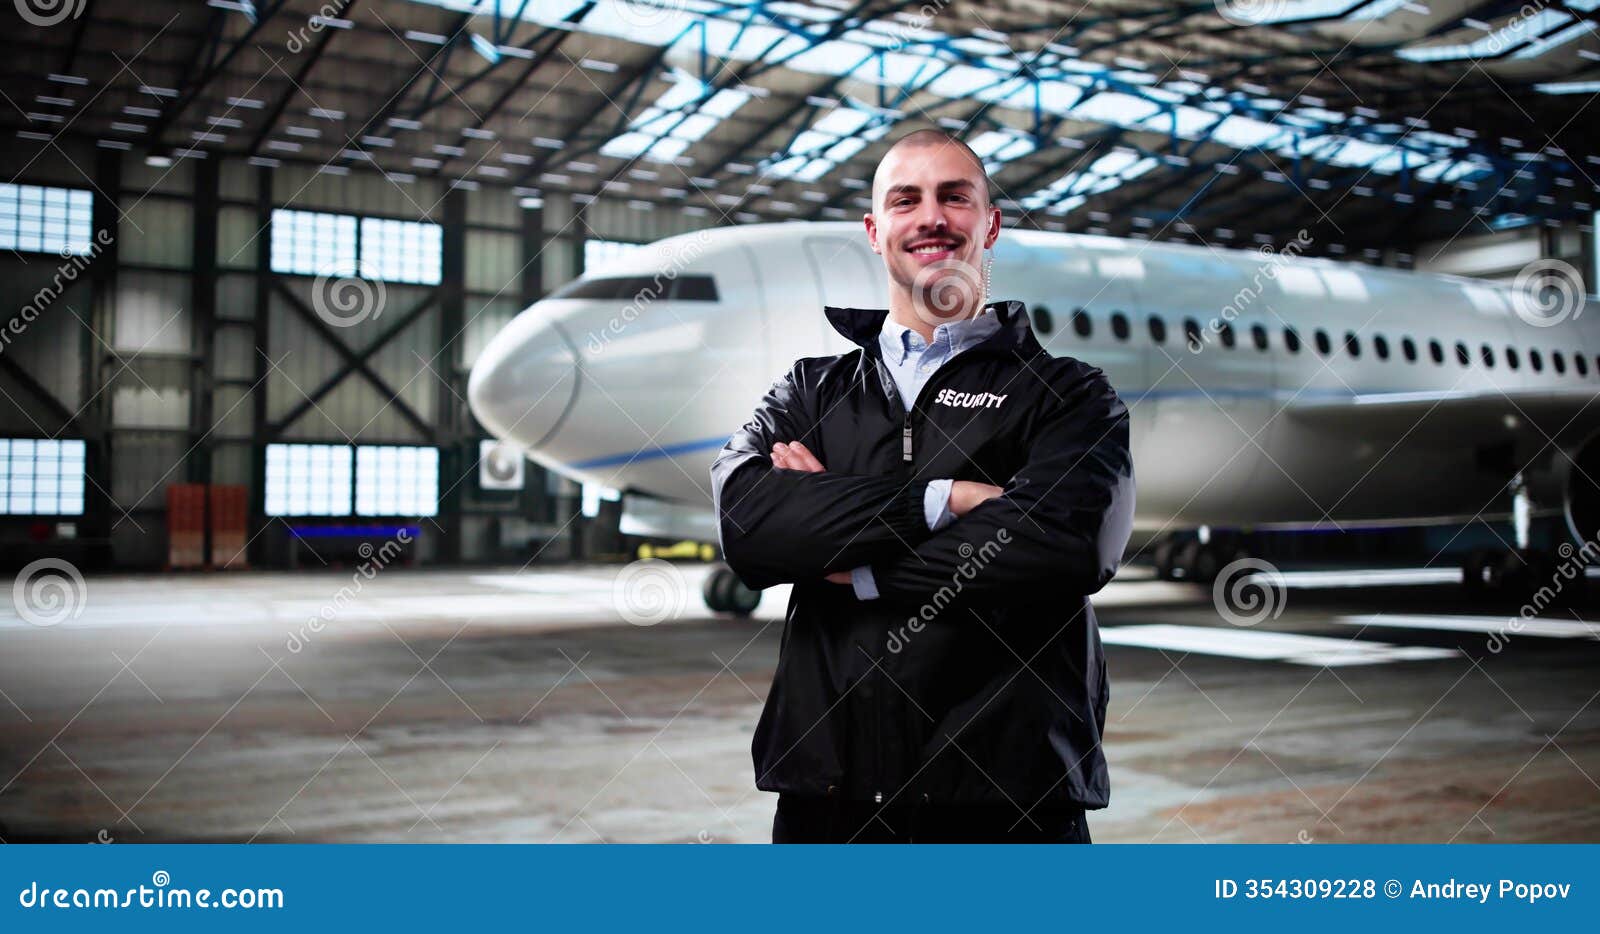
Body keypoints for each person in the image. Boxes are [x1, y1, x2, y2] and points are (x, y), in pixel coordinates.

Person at [710, 128, 1135, 843]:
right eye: (906, 200)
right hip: (828, 796)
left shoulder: (1067, 394)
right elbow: (750, 526)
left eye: (954, 197)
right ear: (876, 233)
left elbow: (1067, 546)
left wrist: (856, 562)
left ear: (989, 223)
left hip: (1013, 798)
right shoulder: (810, 391)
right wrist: (945, 502)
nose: (931, 216)